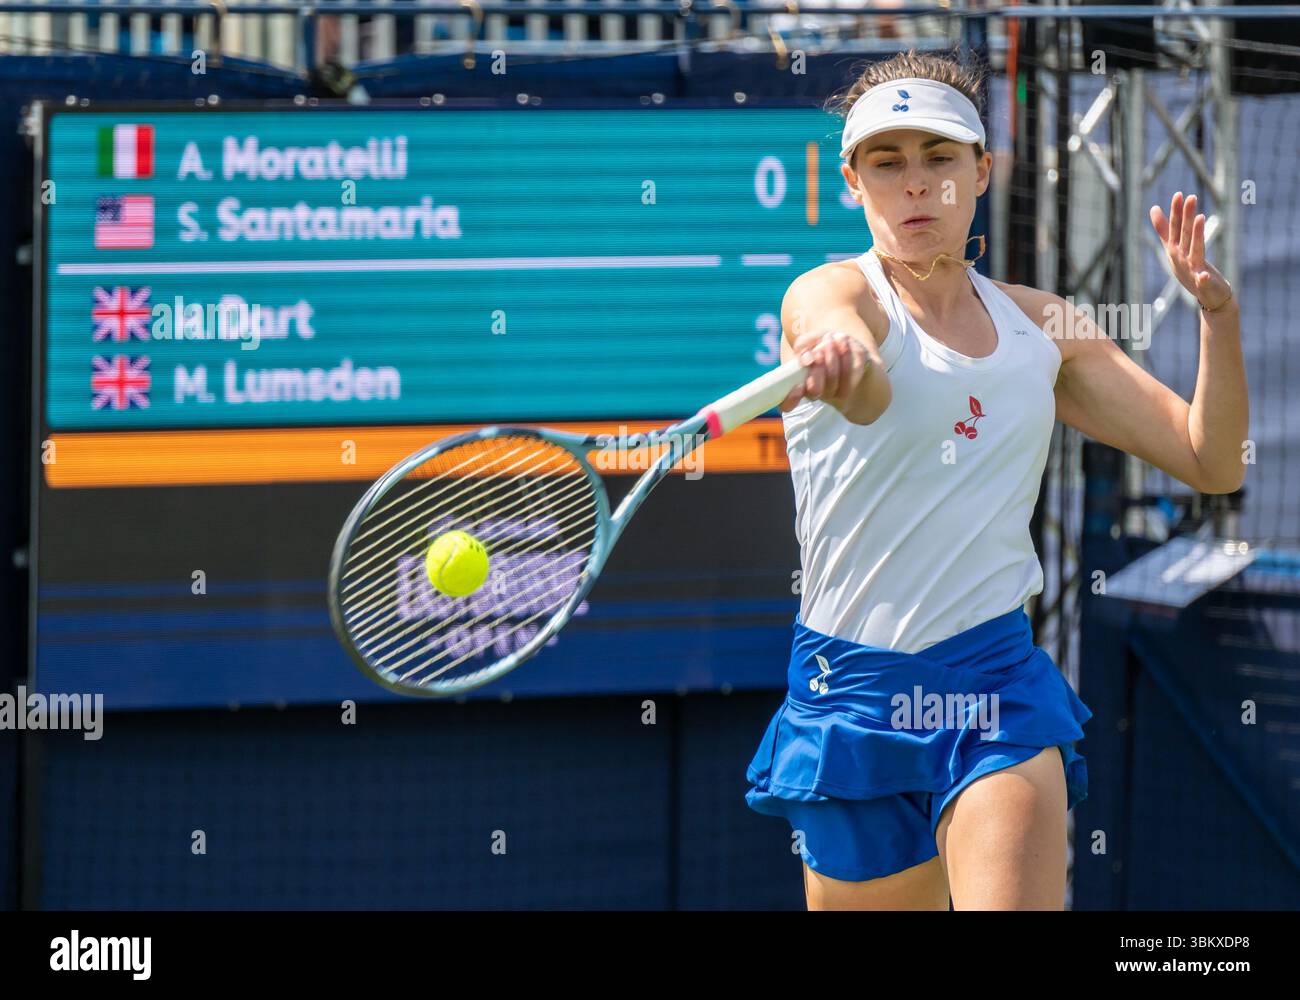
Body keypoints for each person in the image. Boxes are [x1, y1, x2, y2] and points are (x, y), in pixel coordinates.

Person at [744, 48, 1248, 911]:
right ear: (853, 181)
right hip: (849, 699)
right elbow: (863, 387)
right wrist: (843, 361)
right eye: (887, 161)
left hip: (992, 688)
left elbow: (1209, 456)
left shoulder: (1042, 326)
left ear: (981, 171)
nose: (915, 185)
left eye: (939, 158)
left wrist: (1219, 317)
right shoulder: (827, 296)